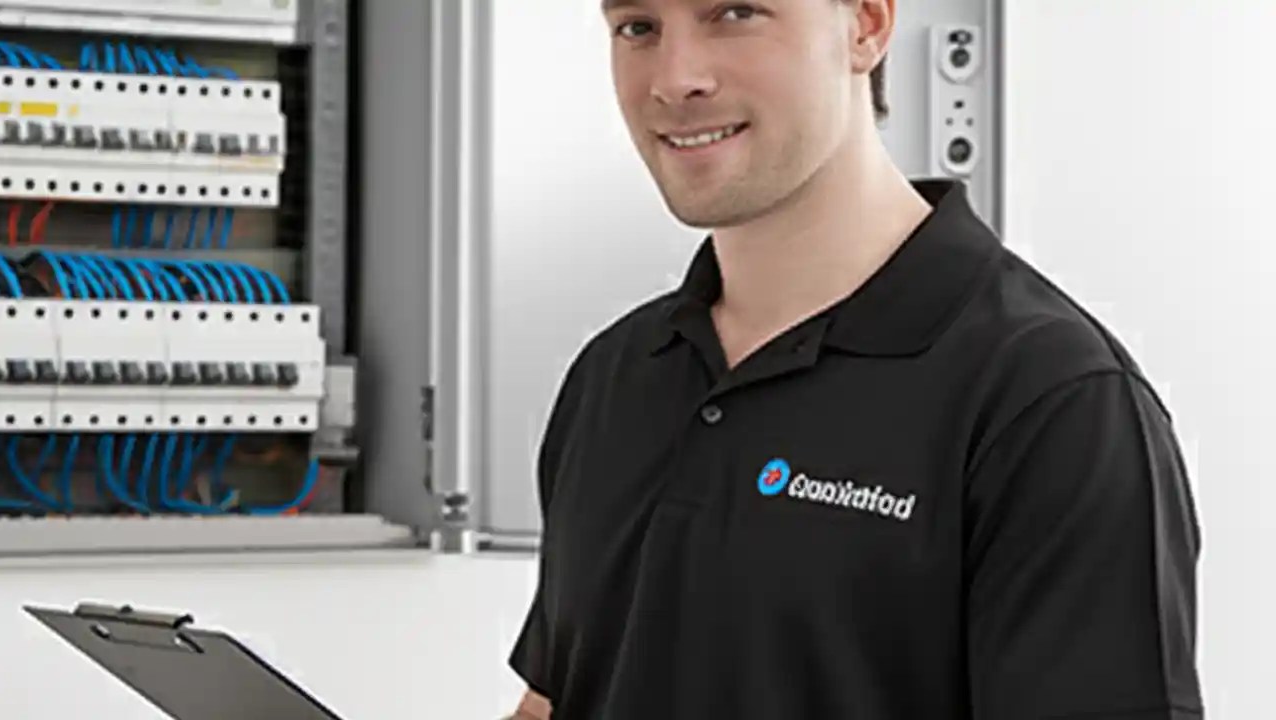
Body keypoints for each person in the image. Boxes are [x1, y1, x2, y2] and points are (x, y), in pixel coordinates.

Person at [506, 0, 1205, 718]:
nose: (673, 78)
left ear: (866, 25)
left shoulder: (1053, 403)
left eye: (735, 13)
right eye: (638, 28)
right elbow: (556, 701)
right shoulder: (615, 374)